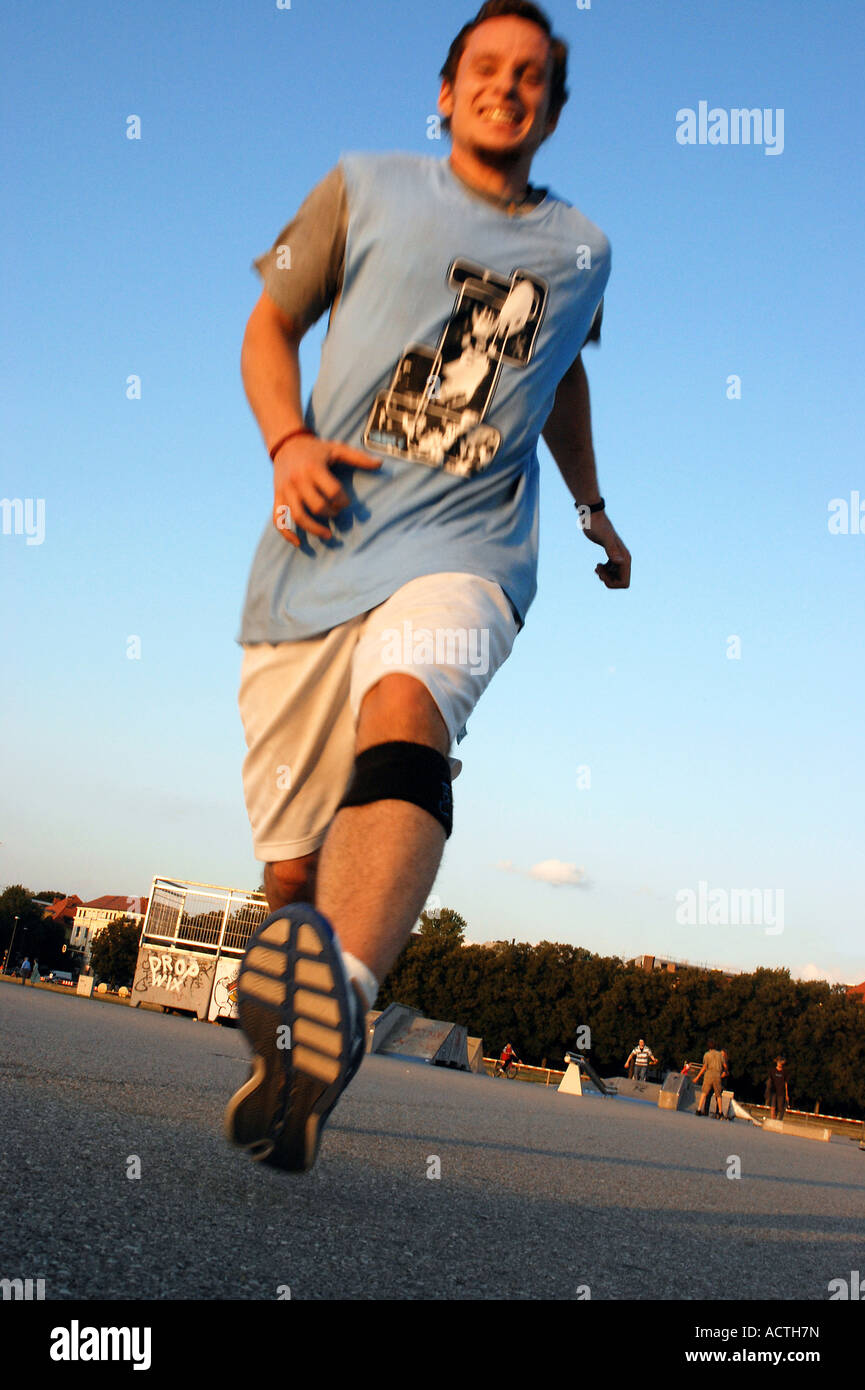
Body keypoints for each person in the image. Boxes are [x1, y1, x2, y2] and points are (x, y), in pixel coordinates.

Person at [226, 0, 631, 1174]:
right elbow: (270, 323)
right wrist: (287, 442)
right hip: (318, 546)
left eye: (534, 75)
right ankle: (302, 1056)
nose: (509, 87)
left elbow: (560, 384)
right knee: (293, 871)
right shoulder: (360, 187)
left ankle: (342, 996)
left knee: (410, 712)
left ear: (554, 106)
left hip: (472, 547)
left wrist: (596, 509)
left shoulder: (585, 251)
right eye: (487, 69)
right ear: (447, 92)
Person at [695, 1041, 727, 1118]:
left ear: (708, 1047)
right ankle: (720, 1112)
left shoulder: (707, 1055)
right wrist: (725, 1071)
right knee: (718, 1094)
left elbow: (704, 1067)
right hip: (717, 1075)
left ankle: (699, 1109)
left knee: (704, 1092)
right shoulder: (720, 1055)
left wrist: (697, 1077)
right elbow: (725, 1065)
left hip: (709, 1074)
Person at [767, 1055, 790, 1121]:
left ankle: (780, 1120)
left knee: (780, 1108)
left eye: (781, 1063)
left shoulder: (784, 1072)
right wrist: (768, 1091)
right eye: (779, 1062)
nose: (780, 1064)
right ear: (777, 1062)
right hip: (774, 1091)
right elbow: (770, 1081)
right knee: (773, 1106)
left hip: (781, 1093)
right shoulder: (773, 1071)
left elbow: (786, 1084)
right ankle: (773, 1119)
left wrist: (787, 1095)